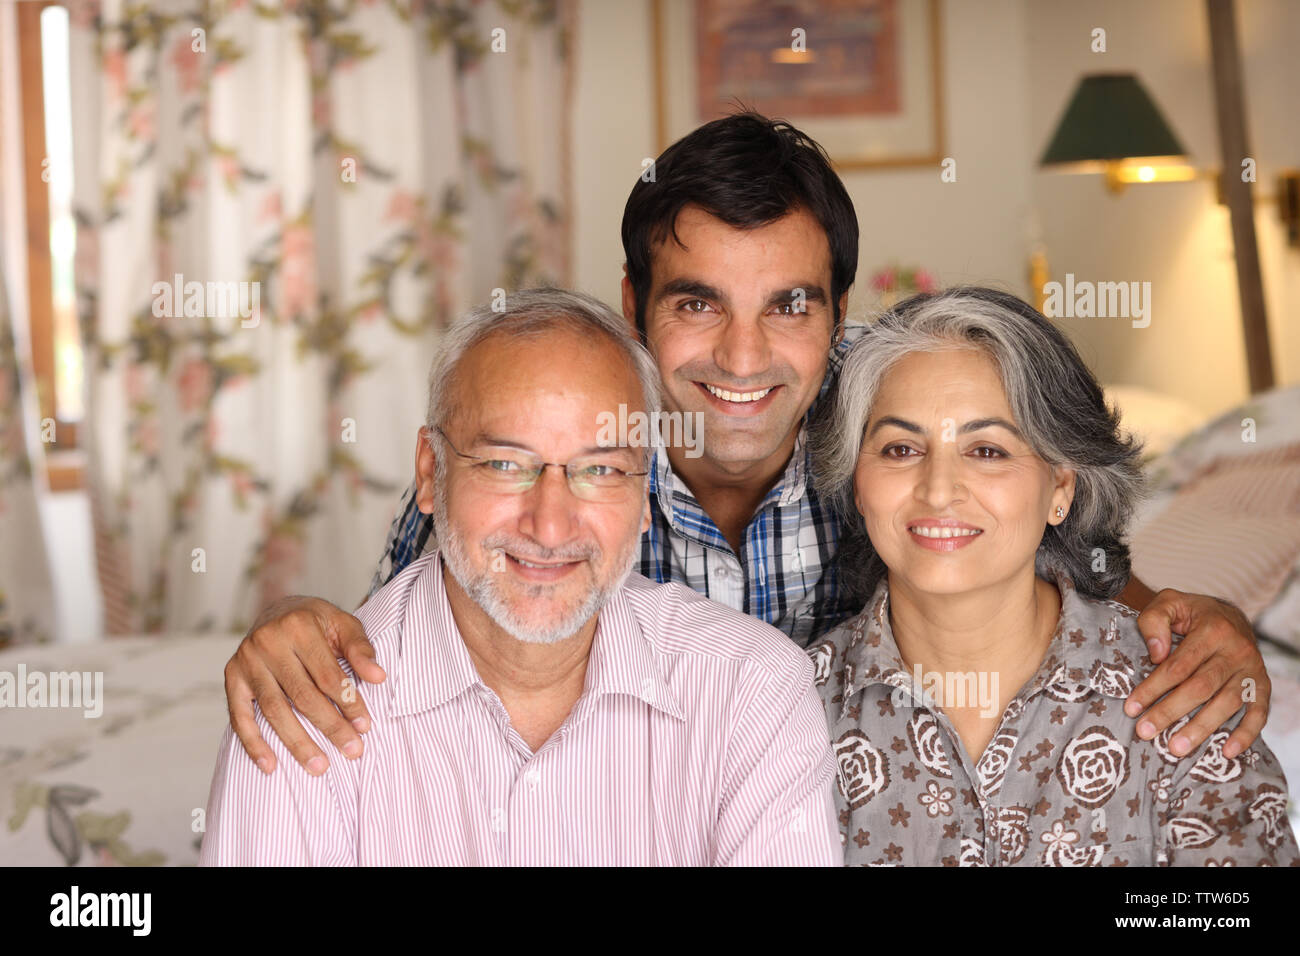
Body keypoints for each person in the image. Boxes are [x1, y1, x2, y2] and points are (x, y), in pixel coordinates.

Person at [222, 112, 1271, 780]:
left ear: (839, 312)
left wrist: (1188, 615)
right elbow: (388, 662)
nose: (743, 354)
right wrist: (293, 626)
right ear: (633, 305)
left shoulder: (894, 424)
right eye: (696, 302)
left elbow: (1068, 555)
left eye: (788, 306)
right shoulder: (536, 436)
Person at [200, 289, 840, 866]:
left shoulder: (751, 689)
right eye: (507, 464)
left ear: (645, 492)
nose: (552, 525)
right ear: (430, 472)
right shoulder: (305, 701)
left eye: (599, 471)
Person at [806, 287, 1298, 866]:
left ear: (1060, 488)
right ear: (857, 483)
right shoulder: (793, 705)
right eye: (900, 448)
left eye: (987, 450)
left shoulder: (1185, 691)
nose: (938, 490)